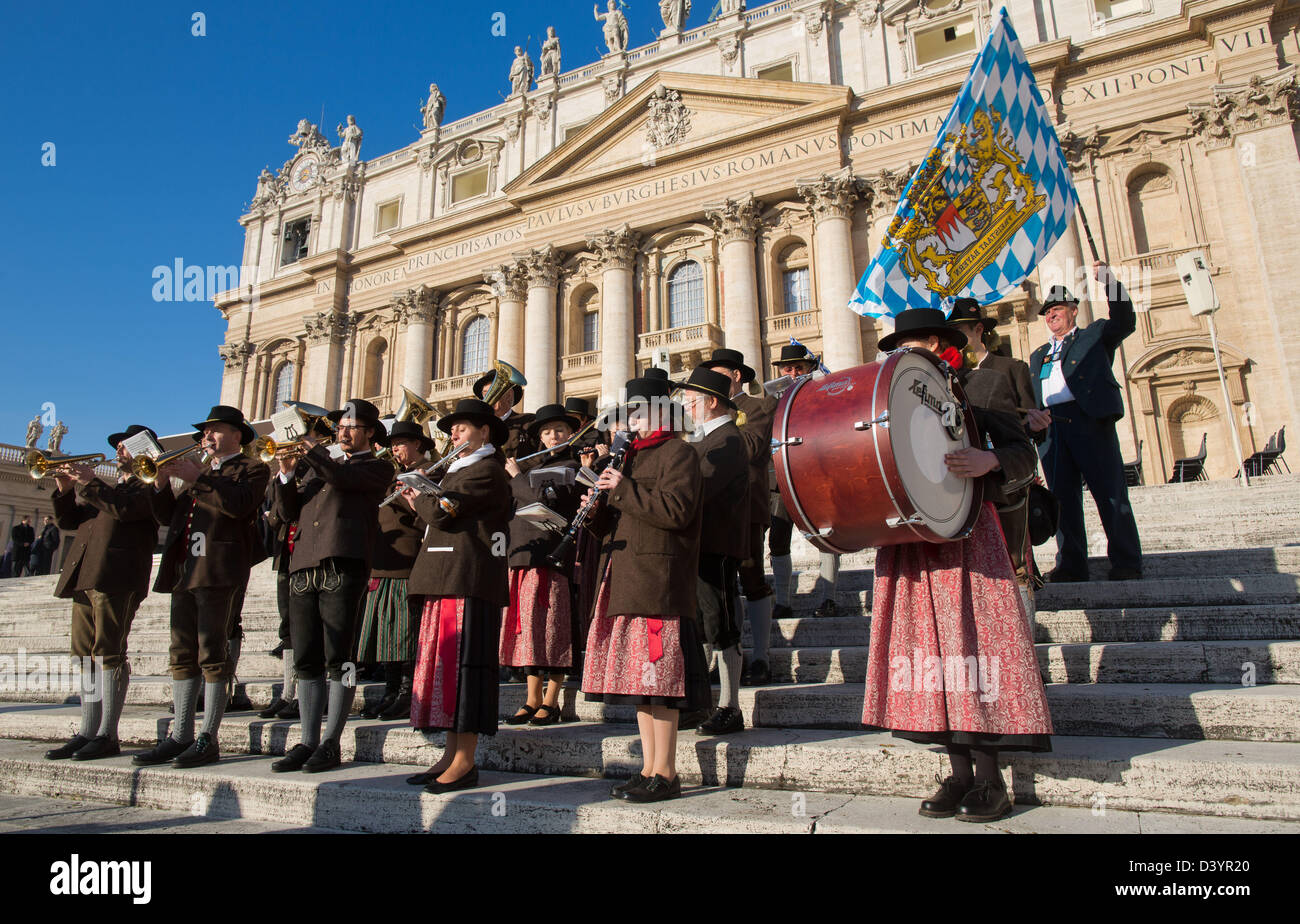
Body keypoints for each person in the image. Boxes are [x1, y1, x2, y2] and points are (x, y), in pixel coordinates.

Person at [864, 309, 1051, 823]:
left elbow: (1022, 451)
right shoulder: (887, 396)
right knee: (930, 652)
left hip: (968, 533)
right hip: (910, 542)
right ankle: (958, 773)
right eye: (899, 345)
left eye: (916, 342)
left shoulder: (982, 385)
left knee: (973, 646)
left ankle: (991, 780)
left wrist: (991, 462)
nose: (908, 351)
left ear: (938, 342)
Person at [583, 376, 709, 803]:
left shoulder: (680, 453)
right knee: (641, 681)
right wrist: (596, 505)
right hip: (625, 575)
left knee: (660, 680)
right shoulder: (629, 458)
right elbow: (613, 524)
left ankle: (667, 772)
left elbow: (676, 512)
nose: (629, 421)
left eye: (636, 412)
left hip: (659, 578)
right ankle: (648, 768)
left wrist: (623, 489)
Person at [133, 407, 269, 769]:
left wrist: (198, 480)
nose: (206, 437)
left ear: (237, 435)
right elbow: (169, 518)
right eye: (206, 432)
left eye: (214, 431)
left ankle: (208, 736)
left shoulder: (252, 469)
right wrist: (161, 483)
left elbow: (239, 507)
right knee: (181, 652)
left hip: (220, 571)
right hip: (186, 570)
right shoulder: (204, 472)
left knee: (213, 653)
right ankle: (180, 735)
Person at [268, 399, 392, 773]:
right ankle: (307, 740)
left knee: (341, 656)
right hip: (304, 563)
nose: (344, 431)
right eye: (341, 425)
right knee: (305, 656)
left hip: (344, 564)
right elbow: (287, 512)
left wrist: (312, 447)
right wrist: (287, 475)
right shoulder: (316, 467)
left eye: (352, 426)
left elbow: (344, 481)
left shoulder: (377, 466)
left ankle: (331, 741)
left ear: (370, 432)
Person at [403, 398, 513, 793]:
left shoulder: (486, 470)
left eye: (462, 428)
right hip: (446, 578)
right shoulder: (460, 468)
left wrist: (420, 497)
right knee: (446, 670)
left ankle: (465, 760)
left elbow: (442, 512)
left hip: (467, 579)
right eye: (452, 430)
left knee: (465, 669)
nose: (453, 435)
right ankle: (450, 754)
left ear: (484, 432)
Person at [43, 425, 160, 761]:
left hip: (117, 578)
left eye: (124, 446)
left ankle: (108, 733)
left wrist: (89, 483)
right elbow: (70, 522)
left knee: (109, 653)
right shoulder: (112, 489)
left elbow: (124, 510)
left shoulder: (149, 484)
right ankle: (87, 730)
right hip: (88, 576)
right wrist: (65, 489)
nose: (118, 450)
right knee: (85, 656)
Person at [1026, 263, 1142, 582]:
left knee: (1110, 492)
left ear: (1074, 312)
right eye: (1047, 313)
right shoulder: (1038, 356)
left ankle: (1126, 559)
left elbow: (1124, 320)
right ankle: (1072, 563)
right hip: (1053, 428)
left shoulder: (1095, 336)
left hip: (1089, 421)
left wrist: (1109, 282)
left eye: (1057, 310)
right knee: (1062, 501)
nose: (1051, 316)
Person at [948, 298, 1043, 603]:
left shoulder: (1009, 368)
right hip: (967, 485)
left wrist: (1035, 423)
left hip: (1005, 479)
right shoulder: (949, 377)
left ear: (978, 329)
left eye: (959, 330)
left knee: (1014, 559)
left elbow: (1023, 431)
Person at [675, 366, 750, 735]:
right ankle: (703, 700)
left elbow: (700, 488)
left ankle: (730, 705)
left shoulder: (728, 440)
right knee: (705, 623)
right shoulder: (706, 440)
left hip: (717, 544)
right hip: (699, 544)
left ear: (712, 402)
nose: (687, 409)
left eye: (691, 403)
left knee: (721, 623)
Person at [501, 404, 584, 725]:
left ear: (570, 433)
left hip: (552, 556)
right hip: (522, 554)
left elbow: (544, 504)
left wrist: (517, 478)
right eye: (547, 432)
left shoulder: (572, 465)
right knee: (530, 631)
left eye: (560, 431)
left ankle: (552, 699)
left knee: (552, 629)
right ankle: (532, 697)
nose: (553, 436)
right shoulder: (531, 463)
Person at [701, 348, 777, 688]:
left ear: (735, 376)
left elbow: (750, 447)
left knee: (751, 574)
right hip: (708, 507)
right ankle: (726, 653)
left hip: (746, 503)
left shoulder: (759, 406)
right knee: (719, 583)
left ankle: (761, 655)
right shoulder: (699, 416)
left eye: (719, 375)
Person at [356, 420, 434, 721]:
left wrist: (415, 493)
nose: (395, 449)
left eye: (400, 443)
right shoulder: (391, 474)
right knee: (386, 633)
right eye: (393, 444)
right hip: (382, 560)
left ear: (418, 444)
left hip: (409, 559)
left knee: (404, 632)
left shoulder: (432, 471)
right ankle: (390, 690)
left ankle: (406, 691)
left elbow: (428, 517)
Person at [764, 343, 843, 625]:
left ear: (810, 369)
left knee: (826, 535)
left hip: (816, 473)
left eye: (799, 367)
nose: (794, 372)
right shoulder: (771, 404)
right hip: (781, 478)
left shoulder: (823, 396)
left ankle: (829, 597)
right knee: (778, 540)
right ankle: (783, 602)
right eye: (789, 368)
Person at [258, 473, 301, 720]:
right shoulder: (285, 474)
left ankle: (302, 694)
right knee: (287, 628)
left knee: (307, 630)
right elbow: (279, 514)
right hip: (286, 556)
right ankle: (287, 693)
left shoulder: (321, 468)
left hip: (309, 555)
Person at [474, 370, 537, 461]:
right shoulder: (476, 427)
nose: (489, 397)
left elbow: (538, 458)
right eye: (485, 393)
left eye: (494, 392)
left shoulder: (529, 422)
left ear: (509, 396)